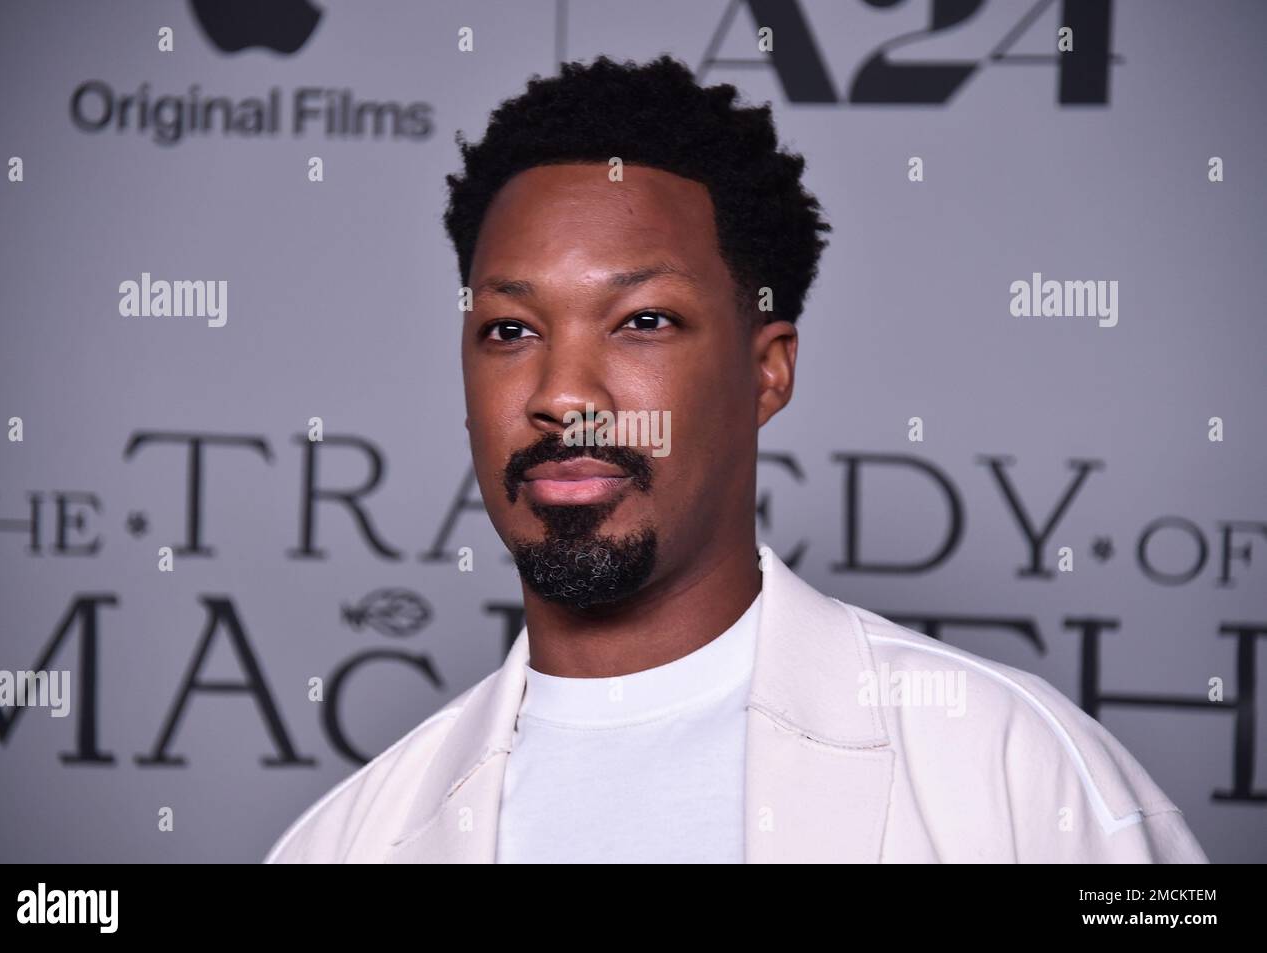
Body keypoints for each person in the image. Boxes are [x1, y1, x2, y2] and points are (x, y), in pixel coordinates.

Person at [265, 54, 1207, 863]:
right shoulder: (348, 840)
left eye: (643, 321)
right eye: (510, 328)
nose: (563, 395)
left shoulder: (1016, 771)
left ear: (767, 371)